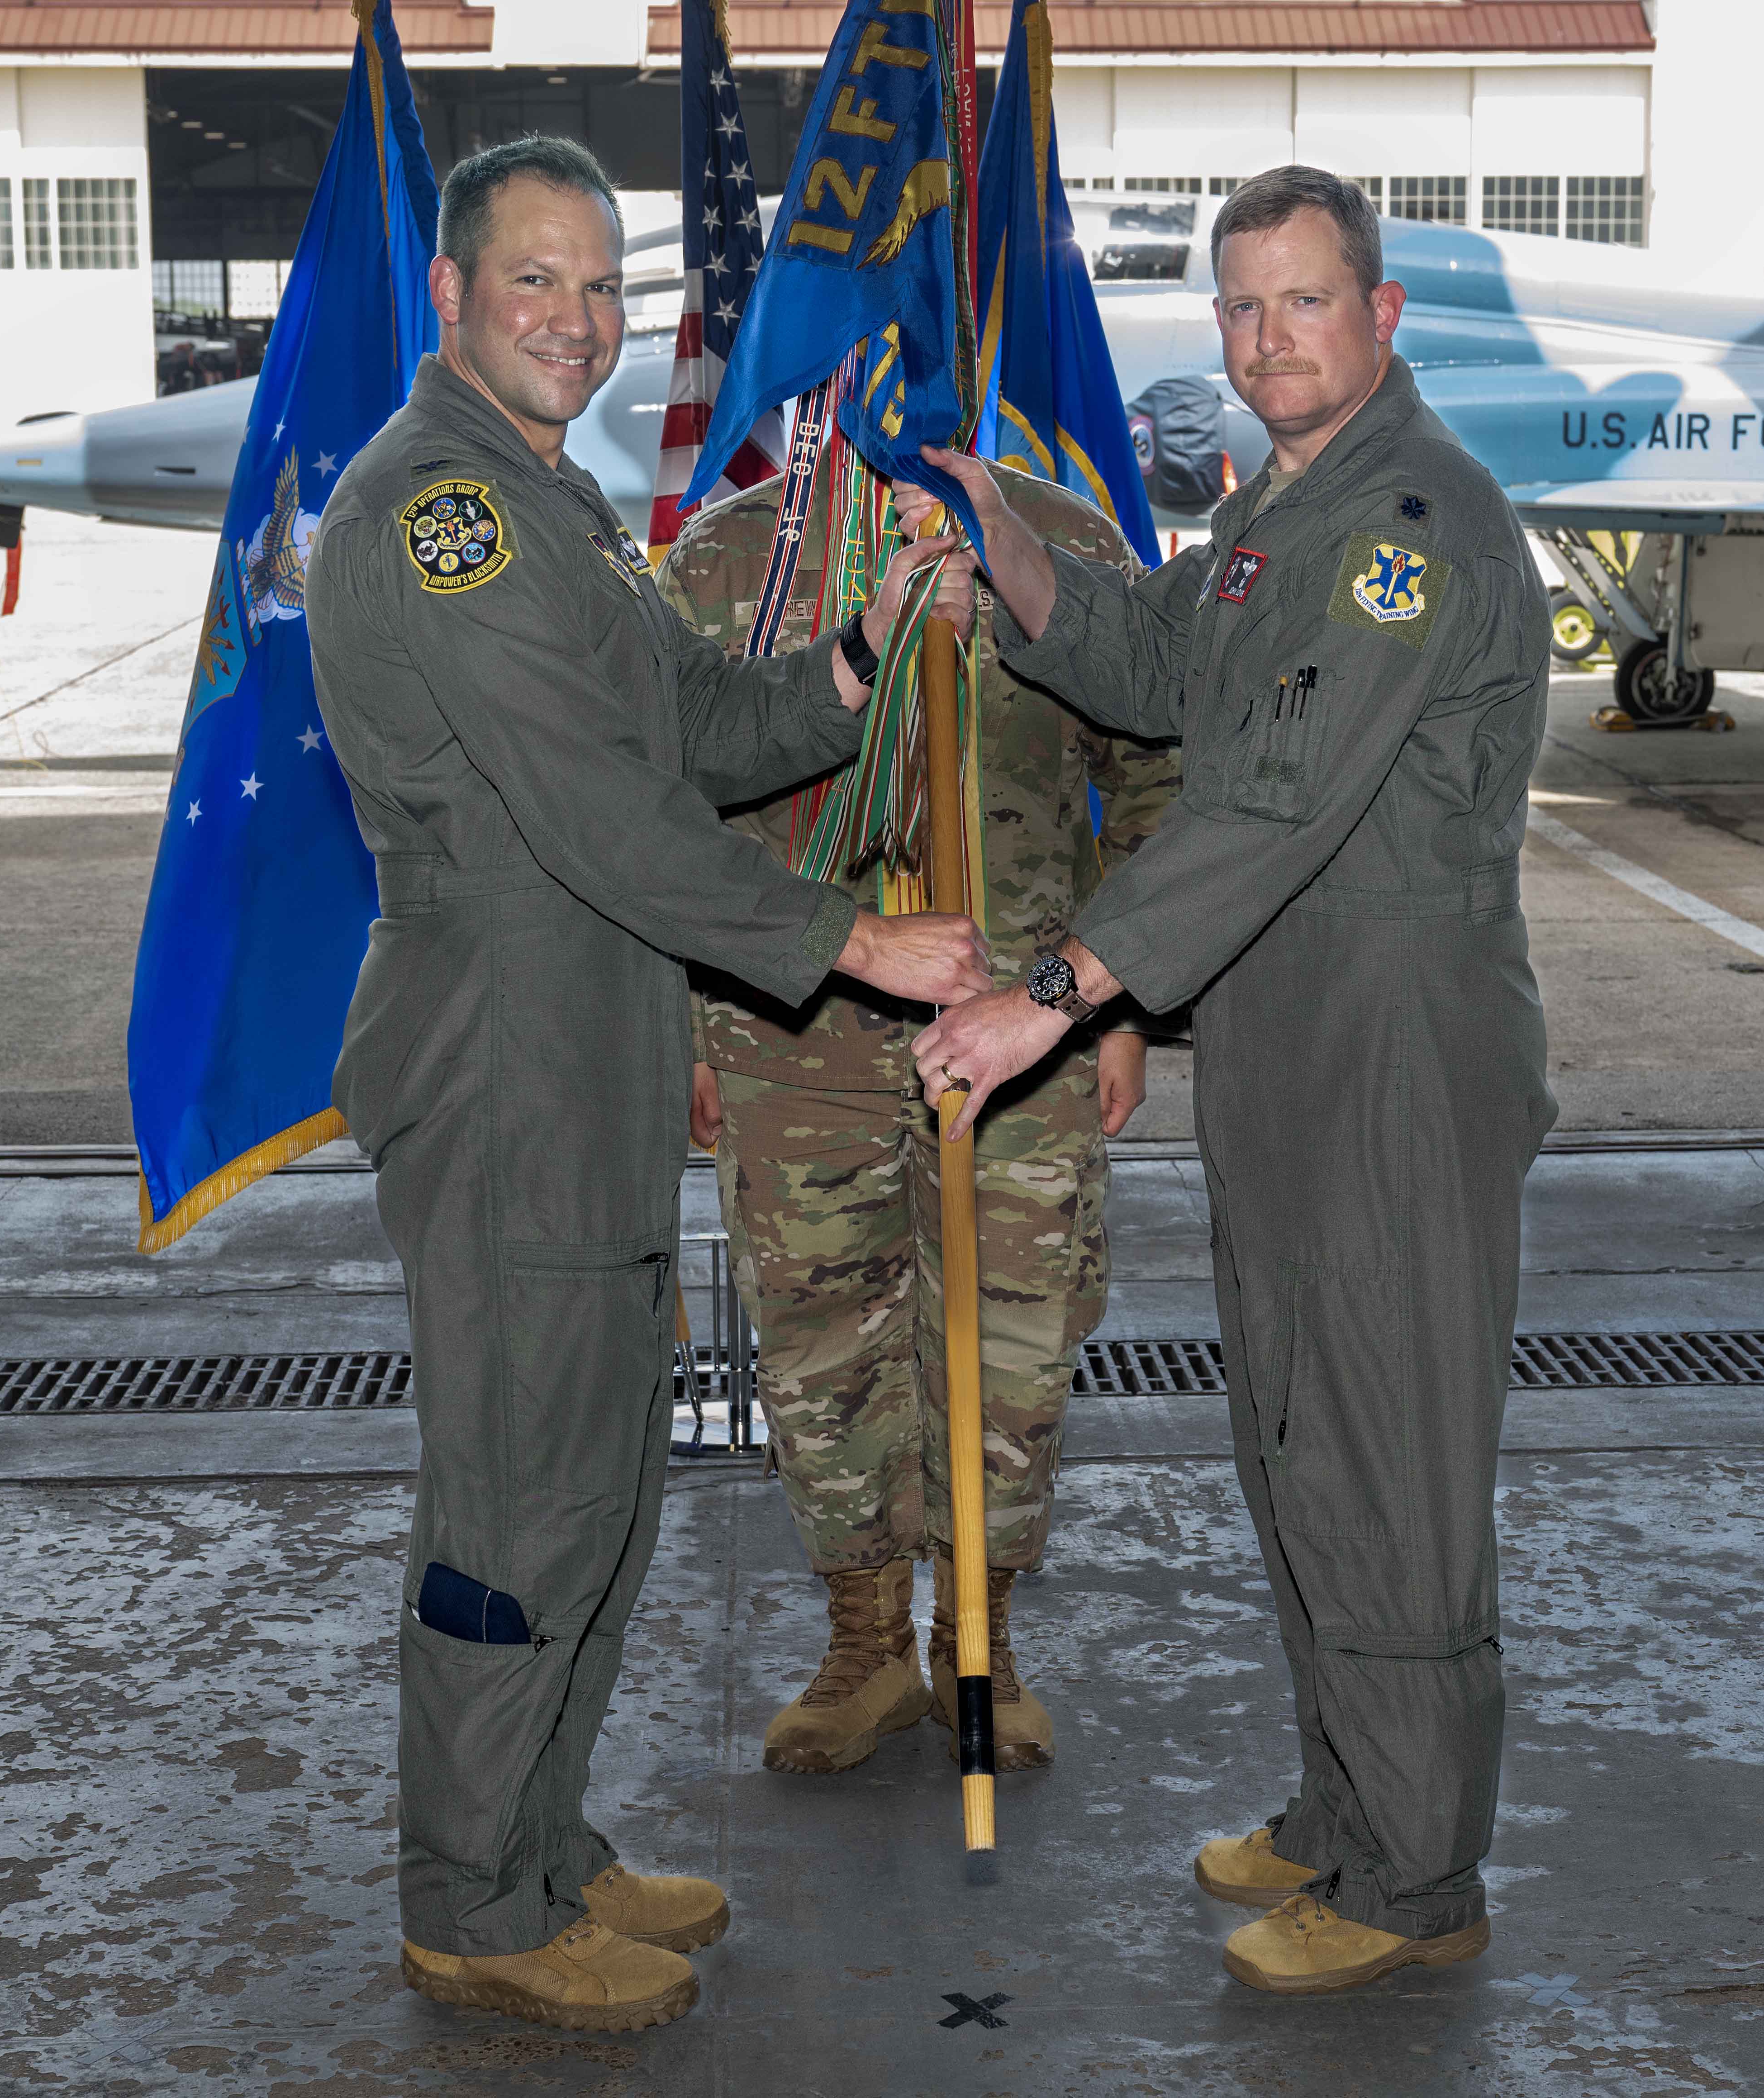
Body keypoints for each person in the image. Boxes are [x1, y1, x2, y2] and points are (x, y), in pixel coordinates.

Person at [302, 137, 986, 2033]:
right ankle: (473, 1901)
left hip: (584, 1052)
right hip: (503, 1063)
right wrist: (853, 941)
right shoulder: (439, 515)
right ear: (453, 296)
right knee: (517, 1496)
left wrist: (859, 651)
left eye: (605, 288)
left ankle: (543, 1844)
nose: (582, 320)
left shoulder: (551, 503)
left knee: (596, 1478)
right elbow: (604, 814)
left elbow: (688, 719)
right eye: (540, 280)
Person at [907, 164, 1555, 1995]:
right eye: (1244, 307)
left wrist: (1052, 992)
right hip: (1286, 1051)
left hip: (1400, 1068)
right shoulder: (1283, 513)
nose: (1271, 337)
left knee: (1391, 1464)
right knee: (1297, 1445)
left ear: (1383, 315)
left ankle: (1417, 1873)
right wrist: (1018, 559)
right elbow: (1163, 662)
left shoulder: (1409, 524)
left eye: (1307, 303)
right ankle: (1347, 1799)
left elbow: (1267, 803)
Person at [656, 462, 1179, 1779]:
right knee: (821, 1348)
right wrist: (684, 1020)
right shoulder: (732, 559)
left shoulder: (1058, 540)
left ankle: (980, 1647)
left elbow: (1158, 773)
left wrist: (1120, 1005)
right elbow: (657, 805)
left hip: (1020, 1028)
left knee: (1012, 1344)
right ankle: (865, 1643)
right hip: (790, 1031)